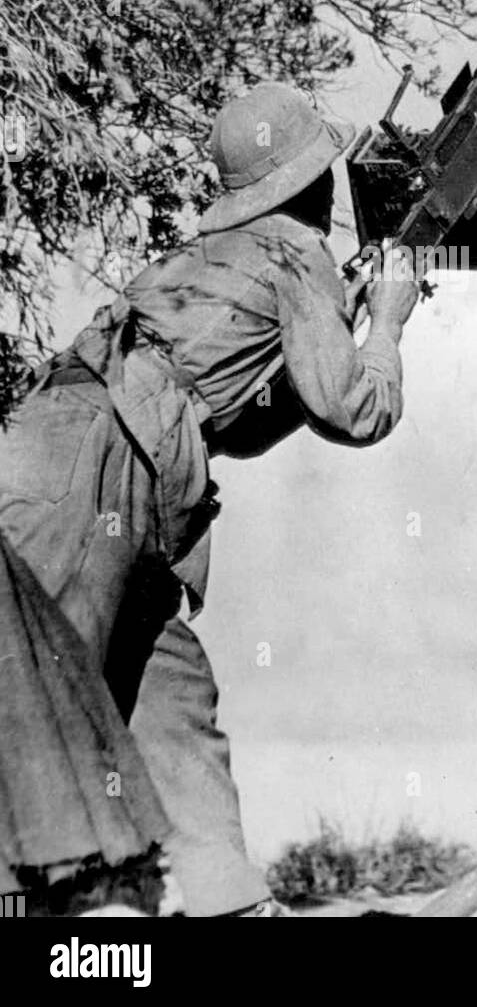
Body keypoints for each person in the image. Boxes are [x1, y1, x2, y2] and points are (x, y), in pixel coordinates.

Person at [0, 82, 418, 916]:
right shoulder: (298, 251)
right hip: (97, 466)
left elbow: (238, 422)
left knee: (169, 693)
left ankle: (225, 898)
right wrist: (389, 329)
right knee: (33, 694)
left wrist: (339, 331)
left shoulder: (223, 256)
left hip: (109, 465)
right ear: (309, 182)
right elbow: (356, 409)